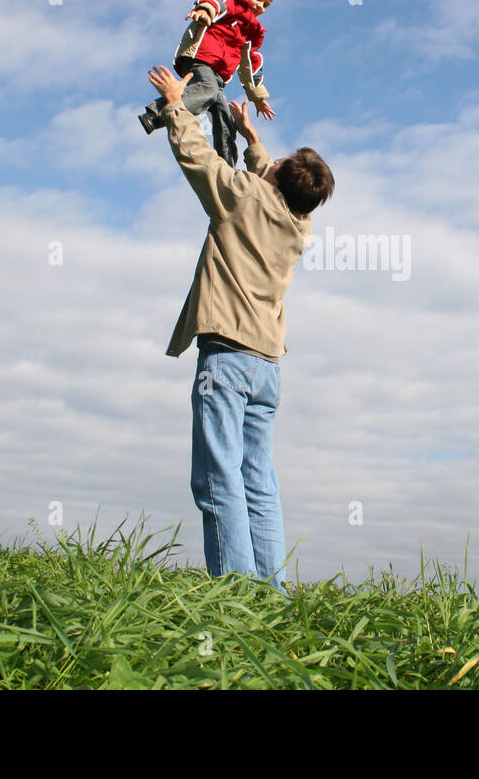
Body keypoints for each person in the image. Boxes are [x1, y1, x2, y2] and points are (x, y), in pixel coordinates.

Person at [146, 63, 333, 592]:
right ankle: (269, 593)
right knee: (258, 482)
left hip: (226, 358)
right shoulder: (300, 223)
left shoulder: (241, 198)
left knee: (217, 478)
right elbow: (272, 181)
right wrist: (253, 140)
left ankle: (234, 597)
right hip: (267, 366)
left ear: (275, 179)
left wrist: (175, 102)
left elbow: (197, 157)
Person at [138, 0, 279, 168]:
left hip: (218, 77)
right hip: (200, 58)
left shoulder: (252, 30)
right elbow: (215, 2)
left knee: (224, 118)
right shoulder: (232, 0)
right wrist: (204, 11)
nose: (260, 6)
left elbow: (250, 63)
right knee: (208, 90)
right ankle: (156, 112)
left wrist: (257, 96)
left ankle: (226, 167)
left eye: (266, 5)